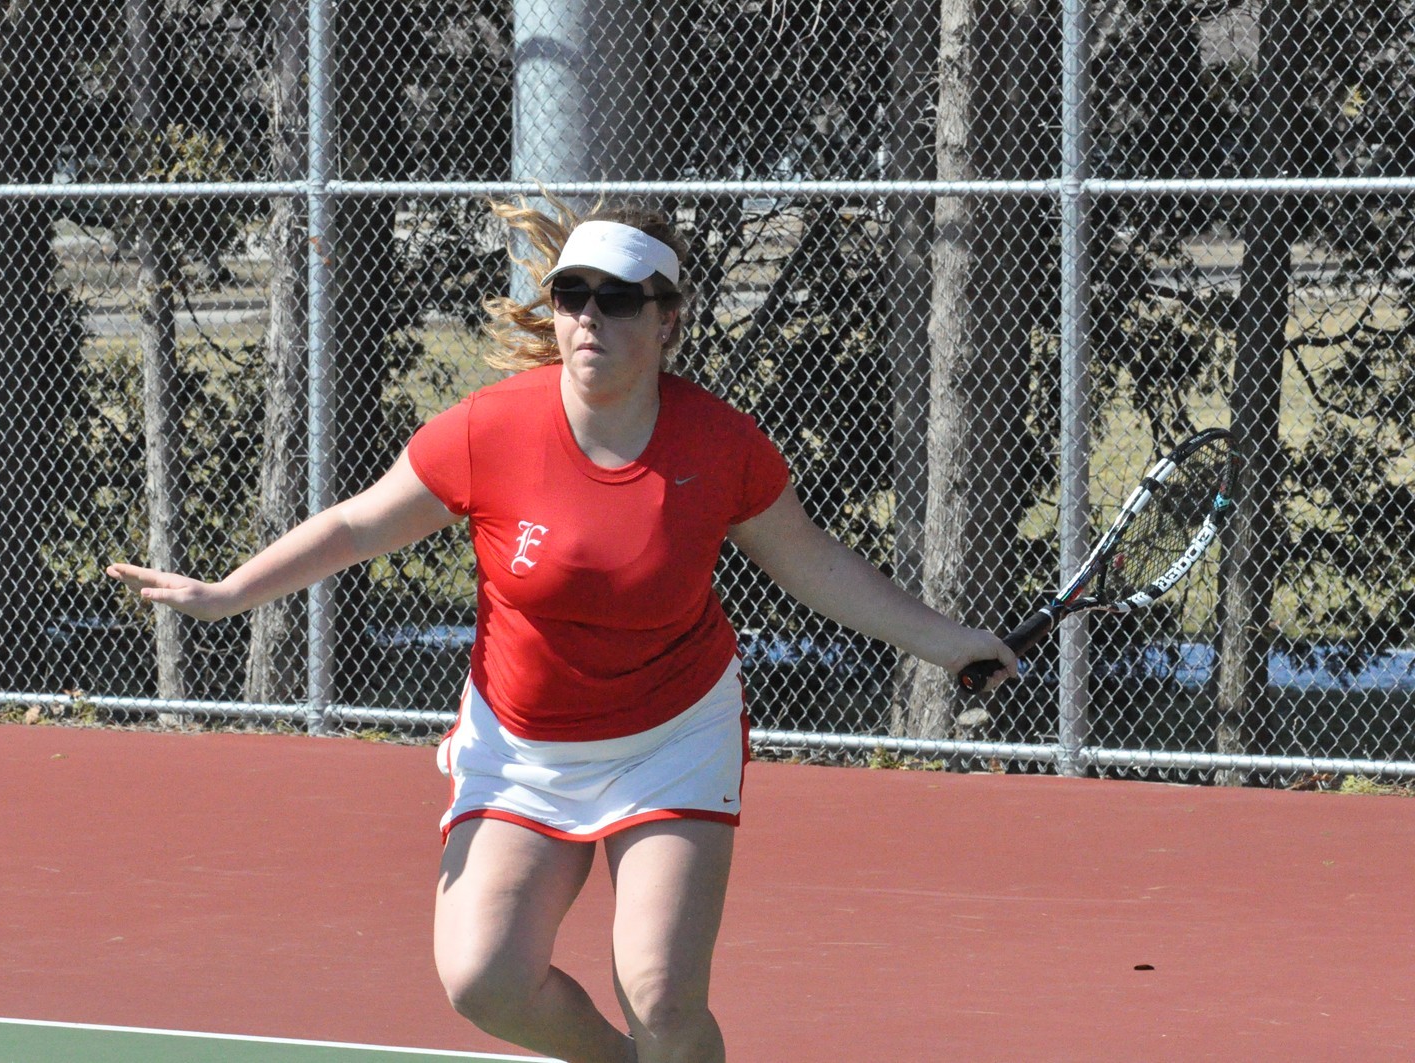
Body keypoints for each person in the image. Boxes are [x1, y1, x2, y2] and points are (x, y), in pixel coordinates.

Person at [106, 200, 1019, 1063]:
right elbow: (356, 524)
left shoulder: (718, 445)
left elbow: (812, 562)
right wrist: (229, 592)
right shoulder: (491, 429)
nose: (590, 316)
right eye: (573, 294)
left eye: (618, 299)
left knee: (661, 996)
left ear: (668, 319)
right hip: (520, 748)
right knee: (485, 978)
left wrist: (950, 642)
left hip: (670, 738)